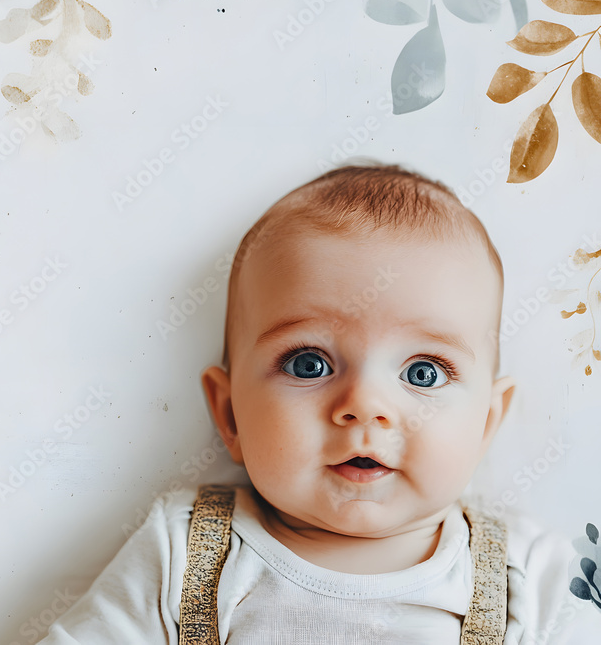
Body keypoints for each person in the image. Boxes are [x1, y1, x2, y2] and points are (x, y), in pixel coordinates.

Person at [34, 164, 601, 643]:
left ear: (486, 425)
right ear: (229, 415)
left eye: (423, 373)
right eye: (309, 364)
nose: (365, 406)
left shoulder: (529, 574)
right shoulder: (186, 553)